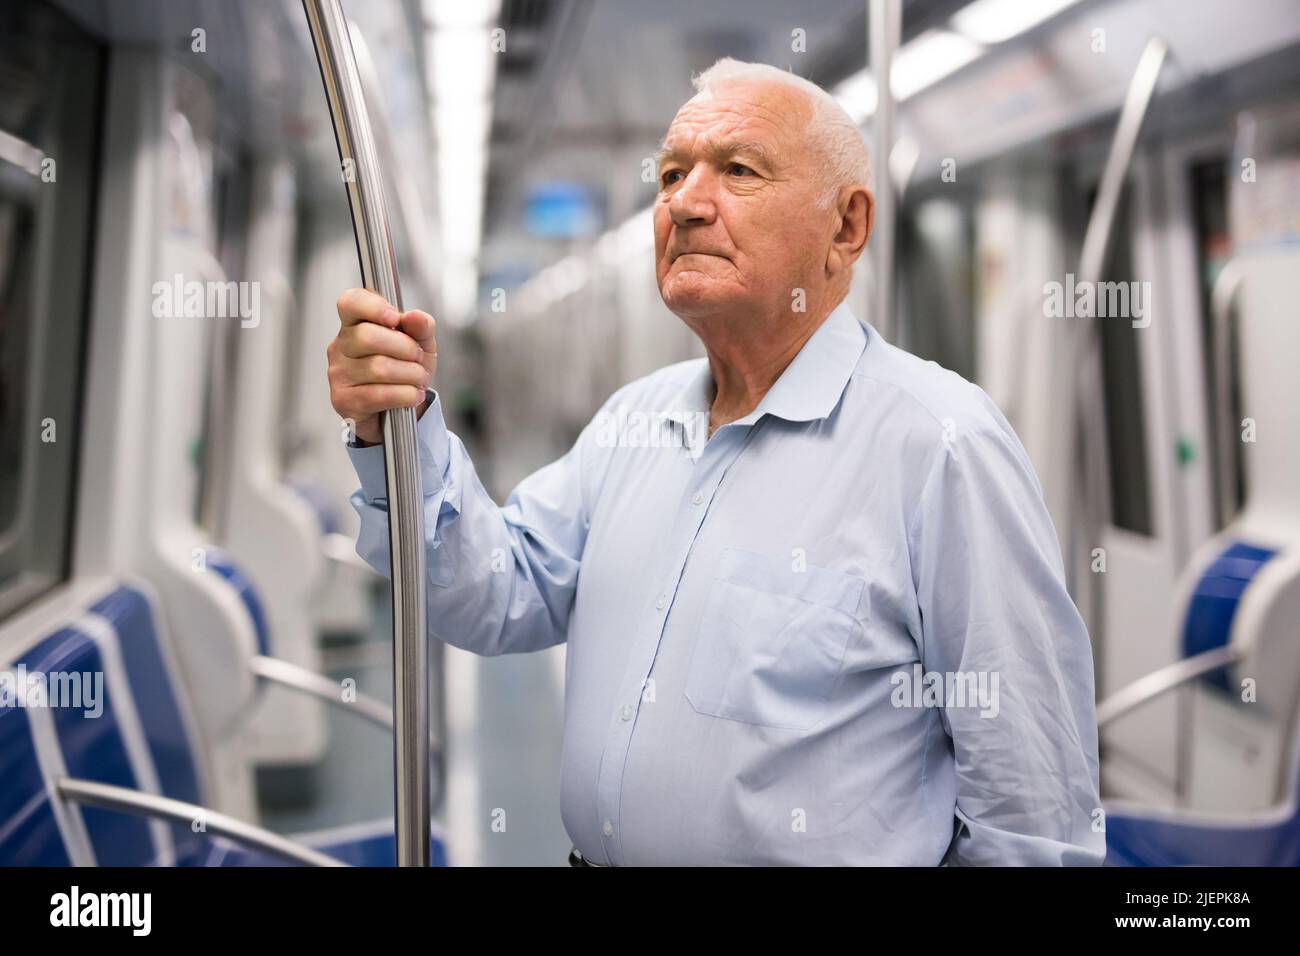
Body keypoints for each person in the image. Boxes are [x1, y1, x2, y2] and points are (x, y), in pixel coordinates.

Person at [326, 58, 1104, 866]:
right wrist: (401, 425)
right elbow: (493, 591)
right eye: (671, 174)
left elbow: (1031, 809)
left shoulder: (940, 446)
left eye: (738, 171)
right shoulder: (635, 420)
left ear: (846, 227)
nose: (686, 205)